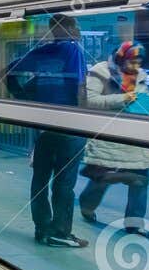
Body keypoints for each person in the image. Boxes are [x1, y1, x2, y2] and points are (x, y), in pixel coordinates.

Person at [5, 14, 89, 248]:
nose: (79, 30)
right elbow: (79, 87)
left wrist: (24, 97)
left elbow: (9, 72)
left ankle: (42, 227)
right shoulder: (74, 50)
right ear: (69, 27)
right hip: (69, 127)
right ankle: (60, 232)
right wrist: (85, 122)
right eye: (77, 25)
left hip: (43, 128)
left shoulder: (40, 52)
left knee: (40, 180)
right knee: (65, 183)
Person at [78, 41, 149, 234]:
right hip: (108, 139)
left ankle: (135, 224)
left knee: (140, 181)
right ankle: (87, 206)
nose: (136, 66)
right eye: (132, 62)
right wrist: (121, 98)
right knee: (101, 179)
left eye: (139, 62)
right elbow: (89, 101)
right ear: (121, 58)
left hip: (135, 139)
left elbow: (144, 98)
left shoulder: (139, 76)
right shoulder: (100, 72)